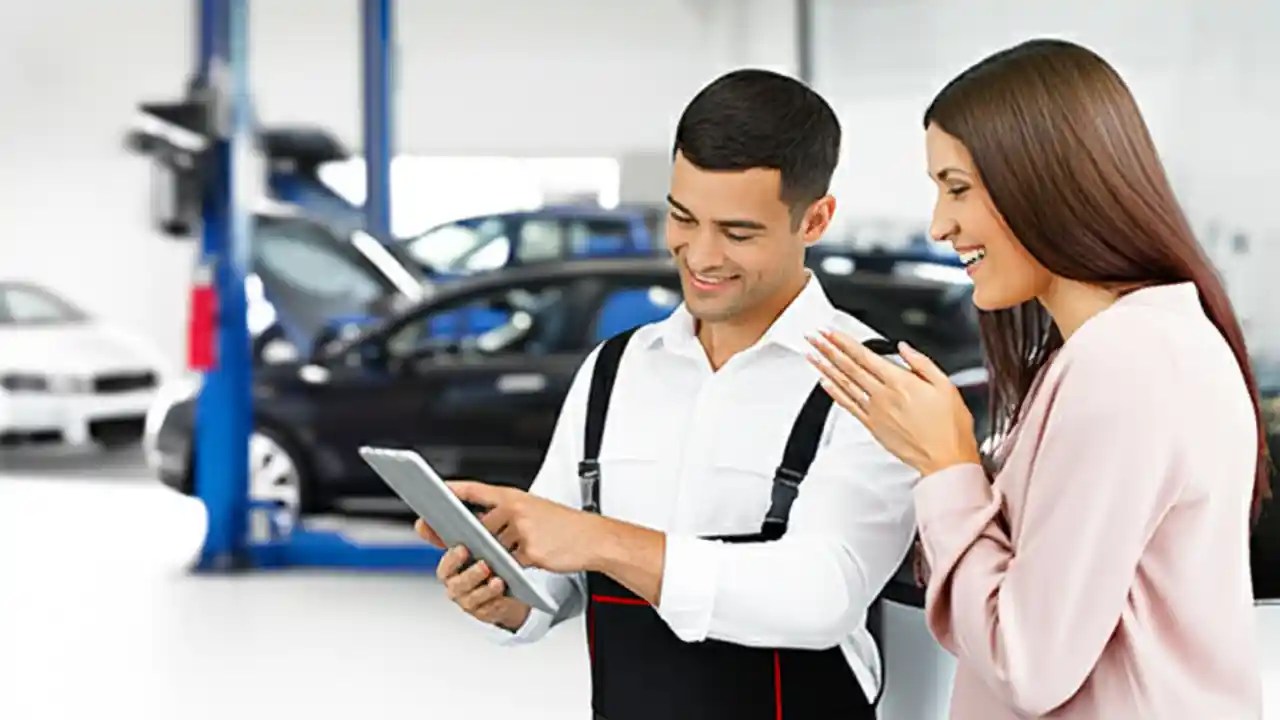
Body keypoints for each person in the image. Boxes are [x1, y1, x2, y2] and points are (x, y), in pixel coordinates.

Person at [414, 68, 919, 719]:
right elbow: (552, 581)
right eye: (682, 218)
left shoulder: (870, 384)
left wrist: (595, 539)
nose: (701, 255)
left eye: (738, 233)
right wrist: (502, 595)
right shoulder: (614, 371)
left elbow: (821, 598)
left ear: (815, 219)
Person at [808, 38, 1270, 719]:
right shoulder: (1141, 345)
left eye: (957, 188)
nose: (941, 225)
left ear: (1045, 179)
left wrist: (947, 465)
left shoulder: (1125, 363)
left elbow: (1027, 662)